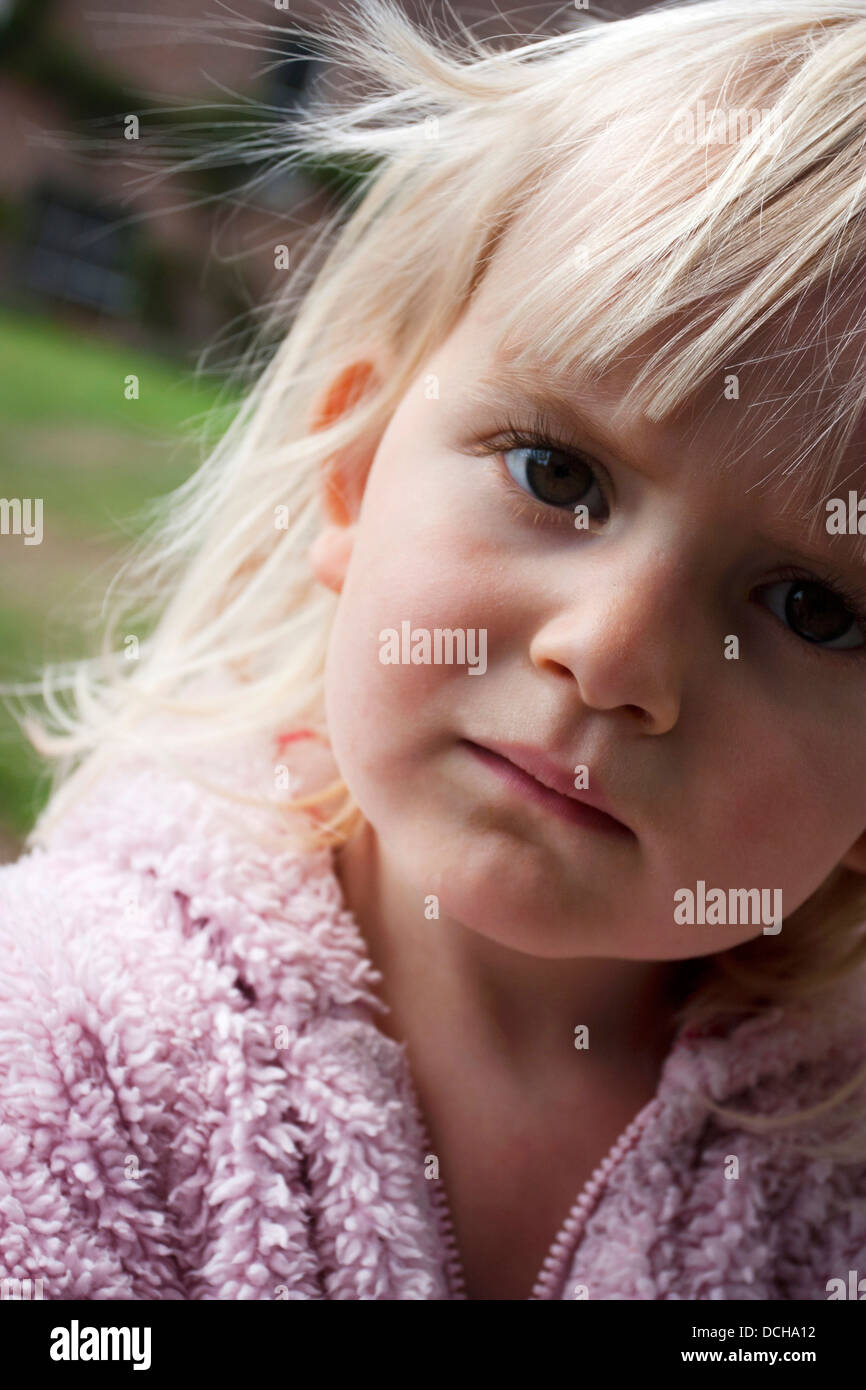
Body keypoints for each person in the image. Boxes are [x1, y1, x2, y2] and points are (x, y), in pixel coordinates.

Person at [2, 0, 866, 1301]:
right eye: (556, 471)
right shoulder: (68, 1039)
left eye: (807, 604)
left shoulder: (830, 1177)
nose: (615, 657)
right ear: (351, 473)